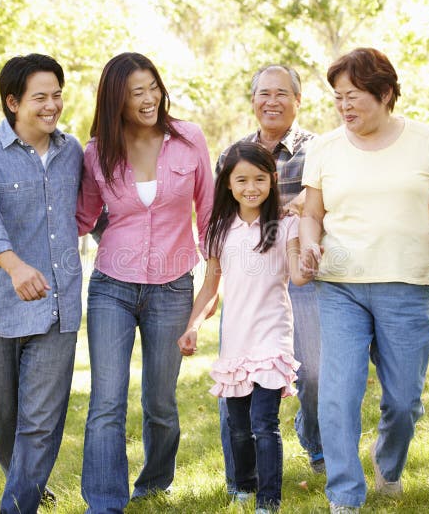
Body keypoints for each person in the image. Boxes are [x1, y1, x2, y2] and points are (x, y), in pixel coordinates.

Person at [299, 47, 429, 513]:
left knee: (405, 400)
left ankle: (387, 463)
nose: (344, 105)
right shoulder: (325, 148)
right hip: (340, 286)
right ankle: (345, 496)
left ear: (385, 93)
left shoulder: (425, 139)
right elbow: (312, 214)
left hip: (406, 284)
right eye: (338, 97)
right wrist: (309, 244)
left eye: (353, 95)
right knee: (339, 394)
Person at [76, 52, 214, 513]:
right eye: (137, 92)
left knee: (160, 401)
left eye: (153, 86)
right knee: (106, 402)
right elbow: (83, 216)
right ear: (117, 99)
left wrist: (213, 283)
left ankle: (154, 483)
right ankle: (104, 502)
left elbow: (209, 213)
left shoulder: (189, 139)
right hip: (111, 287)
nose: (149, 98)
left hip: (173, 287)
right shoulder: (96, 151)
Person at [0, 53, 83, 513]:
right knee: (5, 424)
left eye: (57, 95)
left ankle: (18, 504)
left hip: (57, 306)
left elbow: (98, 208)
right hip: (0, 308)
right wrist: (15, 267)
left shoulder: (73, 152)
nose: (52, 106)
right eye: (40, 98)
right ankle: (27, 483)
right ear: (13, 102)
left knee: (41, 424)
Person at [178, 141, 310, 513]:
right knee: (238, 426)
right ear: (228, 184)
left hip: (272, 338)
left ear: (272, 180)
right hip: (236, 342)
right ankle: (244, 487)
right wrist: (193, 326)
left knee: (263, 423)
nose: (251, 187)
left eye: (259, 179)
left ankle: (268, 500)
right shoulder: (219, 230)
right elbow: (210, 287)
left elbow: (299, 276)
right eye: (242, 180)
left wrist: (309, 260)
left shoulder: (286, 225)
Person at [216, 64, 324, 488]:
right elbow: (222, 213)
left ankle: (313, 438)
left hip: (299, 269)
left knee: (313, 374)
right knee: (236, 380)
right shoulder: (233, 153)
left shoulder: (319, 150)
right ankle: (240, 482)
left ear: (298, 100)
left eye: (282, 93)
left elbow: (327, 201)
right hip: (251, 280)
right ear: (253, 101)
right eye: (264, 93)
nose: (272, 101)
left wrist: (298, 210)